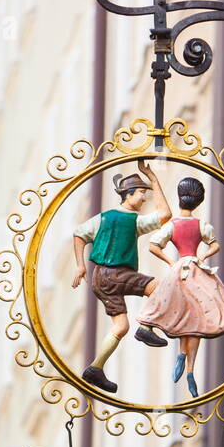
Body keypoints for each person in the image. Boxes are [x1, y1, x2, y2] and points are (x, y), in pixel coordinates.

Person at [134, 175, 224, 399]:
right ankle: (189, 367)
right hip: (196, 269)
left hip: (180, 270)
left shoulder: (173, 225)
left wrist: (173, 262)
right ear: (199, 200)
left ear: (180, 199)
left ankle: (182, 358)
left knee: (186, 315)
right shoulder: (202, 225)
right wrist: (201, 256)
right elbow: (216, 245)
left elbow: (154, 246)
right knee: (197, 317)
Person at [71, 159, 170, 392]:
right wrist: (154, 180)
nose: (144, 199)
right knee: (158, 287)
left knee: (120, 326)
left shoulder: (102, 218)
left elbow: (79, 234)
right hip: (116, 273)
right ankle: (146, 327)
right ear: (129, 195)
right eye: (141, 194)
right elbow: (165, 215)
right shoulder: (133, 221)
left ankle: (95, 368)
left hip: (100, 278)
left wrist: (81, 265)